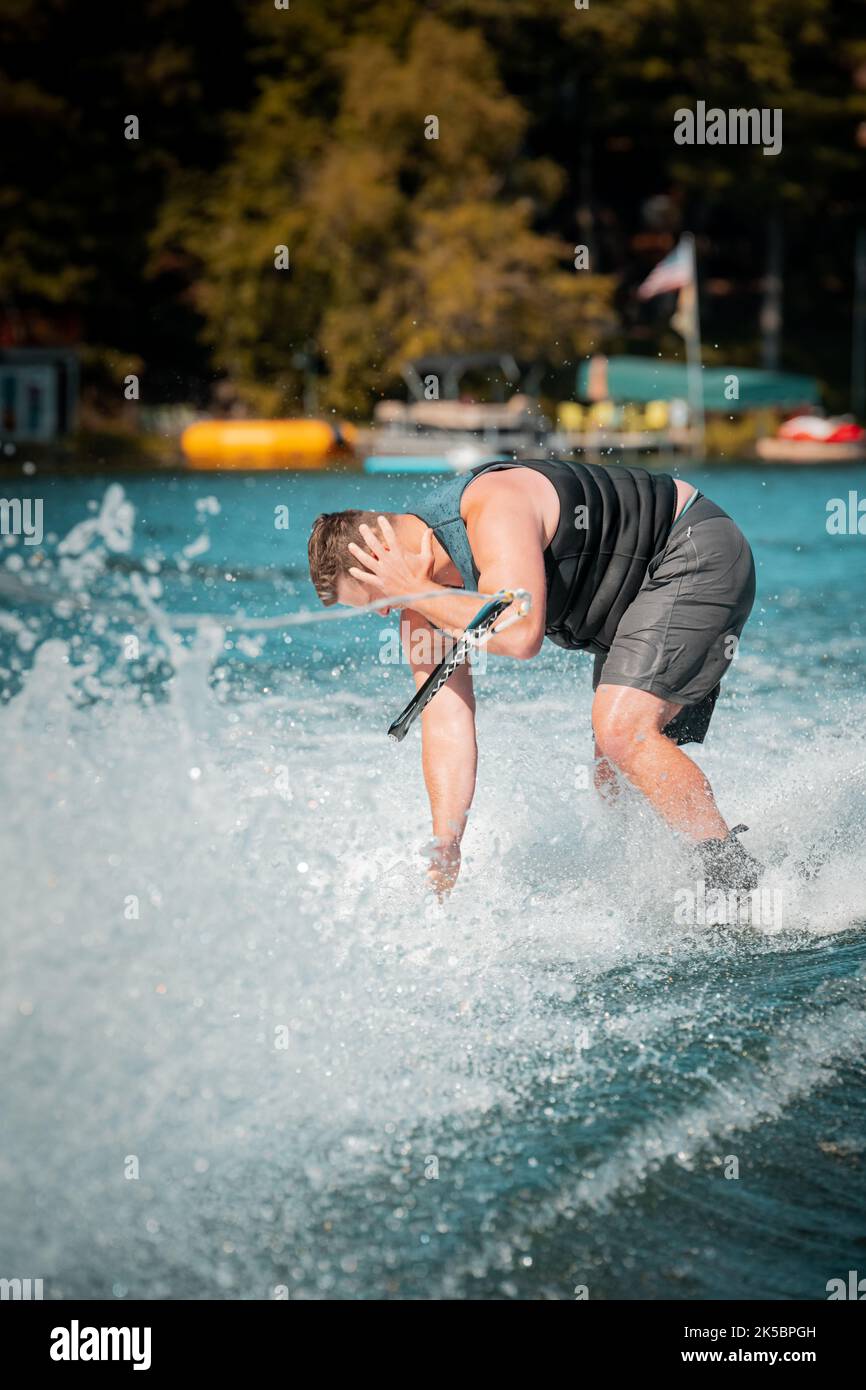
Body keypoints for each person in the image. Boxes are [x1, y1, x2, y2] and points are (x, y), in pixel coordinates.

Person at [307, 457, 760, 898]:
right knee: (610, 777)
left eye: (374, 598)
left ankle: (735, 881)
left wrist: (418, 593)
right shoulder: (419, 605)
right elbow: (445, 722)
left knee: (622, 730)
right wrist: (448, 839)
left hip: (690, 548)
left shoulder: (493, 505)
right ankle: (663, 886)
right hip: (632, 607)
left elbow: (520, 631)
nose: (384, 611)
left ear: (378, 556)